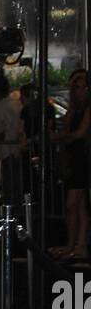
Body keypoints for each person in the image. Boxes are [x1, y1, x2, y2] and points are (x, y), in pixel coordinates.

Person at [50, 68, 90, 260]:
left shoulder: (87, 109)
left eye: (81, 87)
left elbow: (79, 133)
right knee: (79, 206)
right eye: (75, 86)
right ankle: (77, 244)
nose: (78, 90)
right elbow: (67, 129)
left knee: (72, 204)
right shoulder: (74, 110)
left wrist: (62, 137)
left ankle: (74, 244)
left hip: (83, 158)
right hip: (74, 158)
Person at [0, 72, 24, 206]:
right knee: (21, 187)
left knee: (10, 188)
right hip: (21, 150)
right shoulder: (17, 103)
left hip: (8, 153)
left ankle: (12, 215)